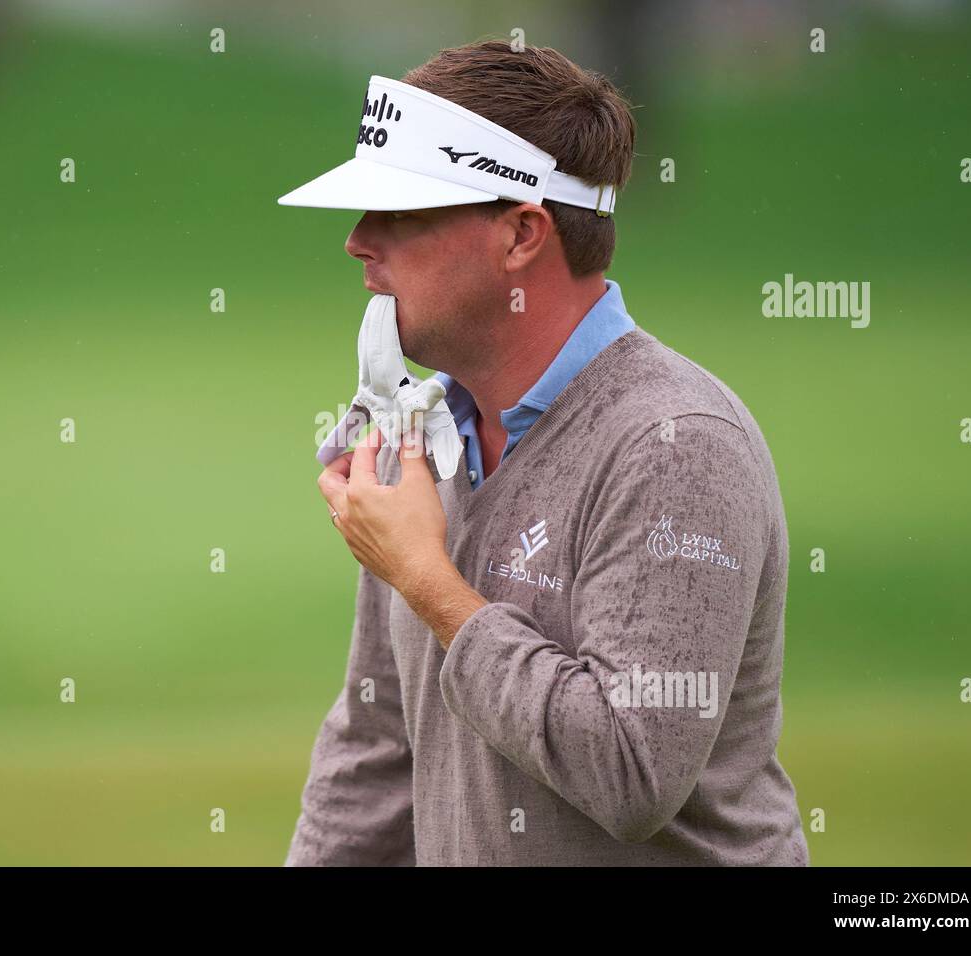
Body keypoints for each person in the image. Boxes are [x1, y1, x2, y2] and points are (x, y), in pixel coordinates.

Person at [276, 38, 809, 866]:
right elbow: (375, 755)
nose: (357, 240)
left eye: (401, 215)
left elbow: (633, 774)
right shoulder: (413, 441)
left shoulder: (676, 448)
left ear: (522, 235)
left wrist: (427, 581)